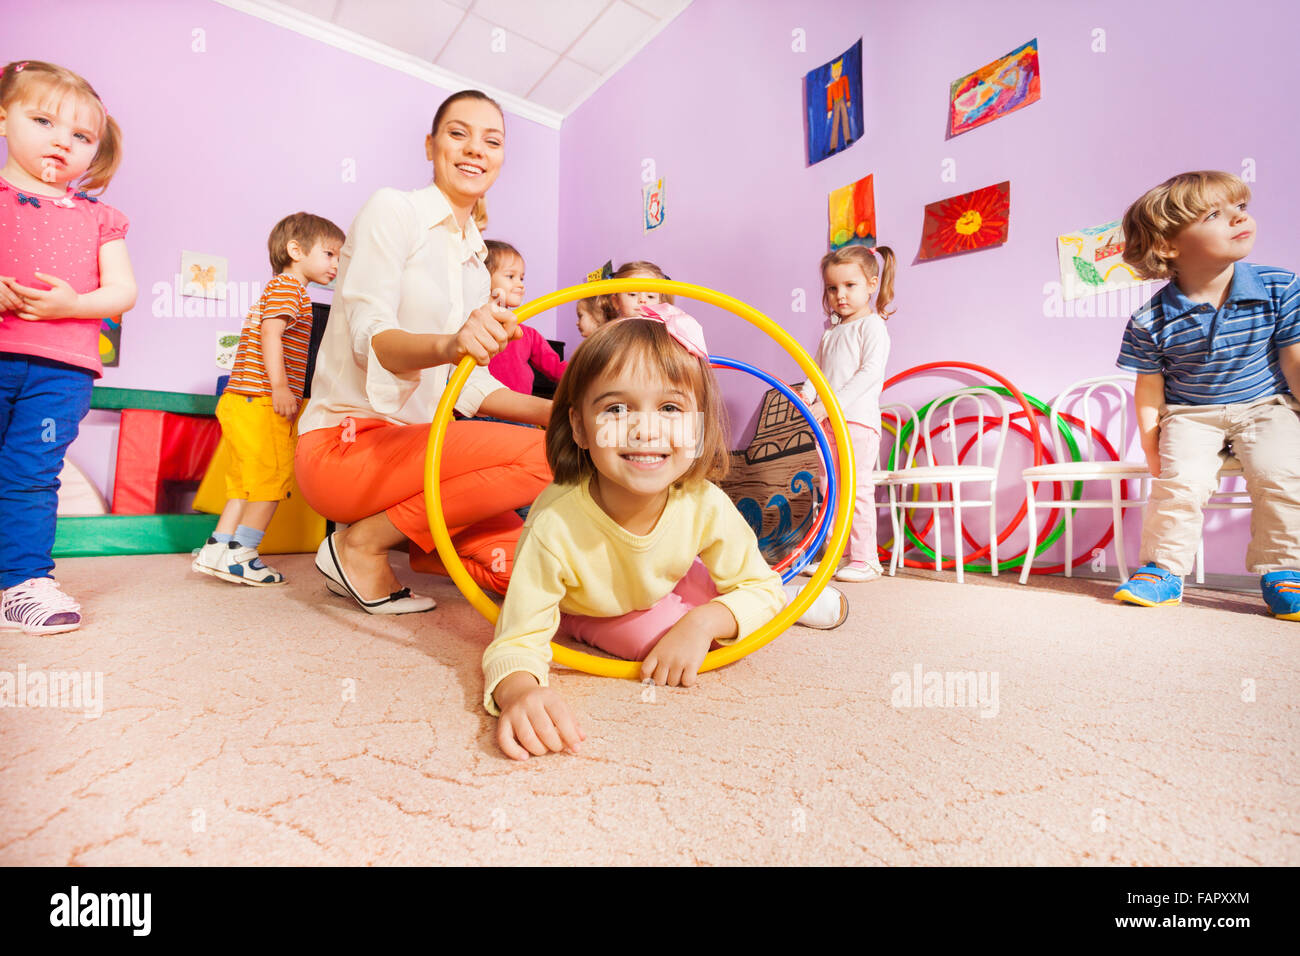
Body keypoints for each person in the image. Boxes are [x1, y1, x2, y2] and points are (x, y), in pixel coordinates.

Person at [483, 309, 849, 761]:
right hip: (593, 606)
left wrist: (705, 620)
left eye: (670, 408)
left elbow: (758, 584)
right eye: (616, 408)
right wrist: (519, 693)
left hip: (669, 573)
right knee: (666, 648)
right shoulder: (555, 526)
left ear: (698, 426)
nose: (646, 429)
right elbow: (517, 639)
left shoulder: (703, 501)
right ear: (579, 426)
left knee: (715, 608)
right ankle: (775, 603)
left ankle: (787, 599)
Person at [295, 90, 551, 615]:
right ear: (431, 145)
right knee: (553, 457)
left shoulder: (477, 265)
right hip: (344, 449)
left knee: (530, 574)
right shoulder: (395, 210)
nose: (475, 149)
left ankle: (415, 540)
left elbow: (471, 386)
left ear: (502, 159)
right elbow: (375, 339)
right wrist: (451, 344)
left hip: (420, 457)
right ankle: (360, 544)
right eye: (459, 134)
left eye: (492, 141)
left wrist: (559, 411)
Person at [1112, 170, 1300, 620]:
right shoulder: (1149, 320)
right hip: (1190, 414)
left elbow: (1293, 360)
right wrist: (1151, 440)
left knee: (1281, 473)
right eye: (1216, 214)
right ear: (1168, 246)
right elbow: (1150, 387)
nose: (1239, 218)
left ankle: (1285, 571)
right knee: (1180, 485)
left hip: (1265, 405)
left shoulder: (1279, 286)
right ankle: (1163, 571)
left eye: (1241, 208)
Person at [0, 60, 134, 634]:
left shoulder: (99, 218)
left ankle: (23, 581)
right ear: (4, 118)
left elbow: (121, 291)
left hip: (62, 371)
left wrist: (69, 306)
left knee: (32, 473)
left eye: (81, 136)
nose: (63, 141)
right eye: (43, 120)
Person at [192, 212, 343, 586]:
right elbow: (271, 335)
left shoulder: (279, 288)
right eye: (329, 254)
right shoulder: (290, 289)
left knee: (246, 482)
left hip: (239, 400)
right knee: (272, 479)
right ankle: (243, 555)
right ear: (296, 250)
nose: (336, 265)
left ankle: (219, 547)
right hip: (260, 399)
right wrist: (280, 386)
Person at [799, 245, 896, 583]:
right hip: (826, 422)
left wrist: (830, 404)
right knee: (829, 490)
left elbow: (869, 374)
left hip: (855, 422)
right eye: (832, 288)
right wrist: (808, 395)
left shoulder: (872, 326)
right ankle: (834, 556)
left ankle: (866, 558)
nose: (840, 295)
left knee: (856, 489)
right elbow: (819, 374)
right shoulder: (831, 334)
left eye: (849, 286)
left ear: (871, 284)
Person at [483, 240, 566, 395]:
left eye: (521, 278)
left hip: (518, 414)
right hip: (474, 414)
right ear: (482, 278)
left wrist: (591, 372)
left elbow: (557, 368)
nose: (520, 284)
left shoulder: (528, 335)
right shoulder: (471, 328)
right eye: (510, 276)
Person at [601, 259, 674, 322]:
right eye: (633, 294)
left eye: (650, 296)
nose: (642, 300)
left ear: (660, 304)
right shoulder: (610, 331)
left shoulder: (666, 331)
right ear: (616, 302)